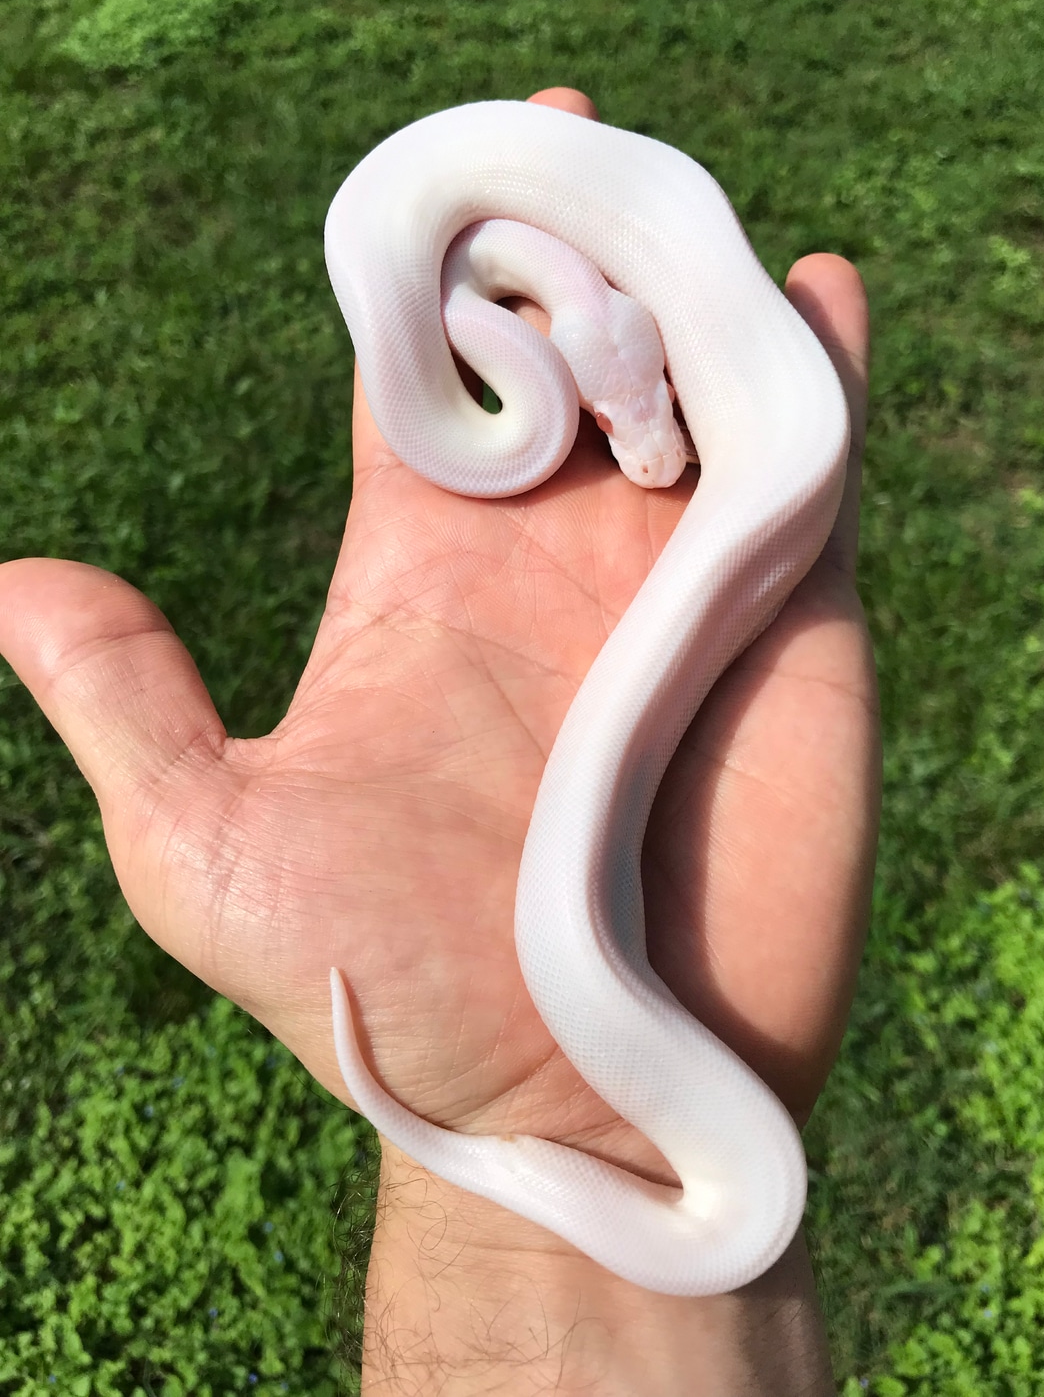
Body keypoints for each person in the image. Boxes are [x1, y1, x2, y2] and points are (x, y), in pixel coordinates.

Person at [0, 87, 879, 1394]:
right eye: (630, 418)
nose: (656, 451)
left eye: (660, 411)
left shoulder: (490, 292)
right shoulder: (496, 299)